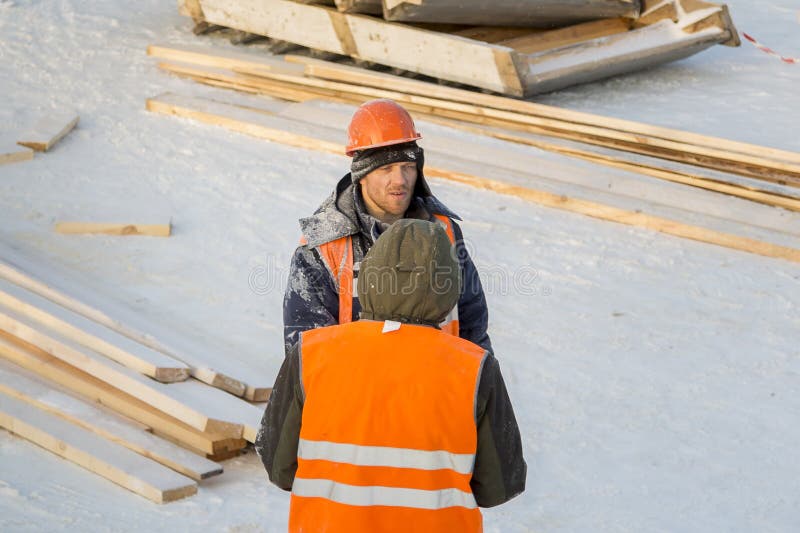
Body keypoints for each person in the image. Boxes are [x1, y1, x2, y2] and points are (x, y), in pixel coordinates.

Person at [258, 219, 526, 533]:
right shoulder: (475, 368)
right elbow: (498, 487)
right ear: (448, 287)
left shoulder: (310, 354)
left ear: (368, 276)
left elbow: (279, 467)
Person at [283, 98, 492, 354]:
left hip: (436, 377)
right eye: (386, 169)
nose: (400, 180)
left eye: (408, 167)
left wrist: (482, 376)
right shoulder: (324, 245)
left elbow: (473, 323)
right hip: (363, 379)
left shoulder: (443, 230)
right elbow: (308, 353)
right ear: (362, 175)